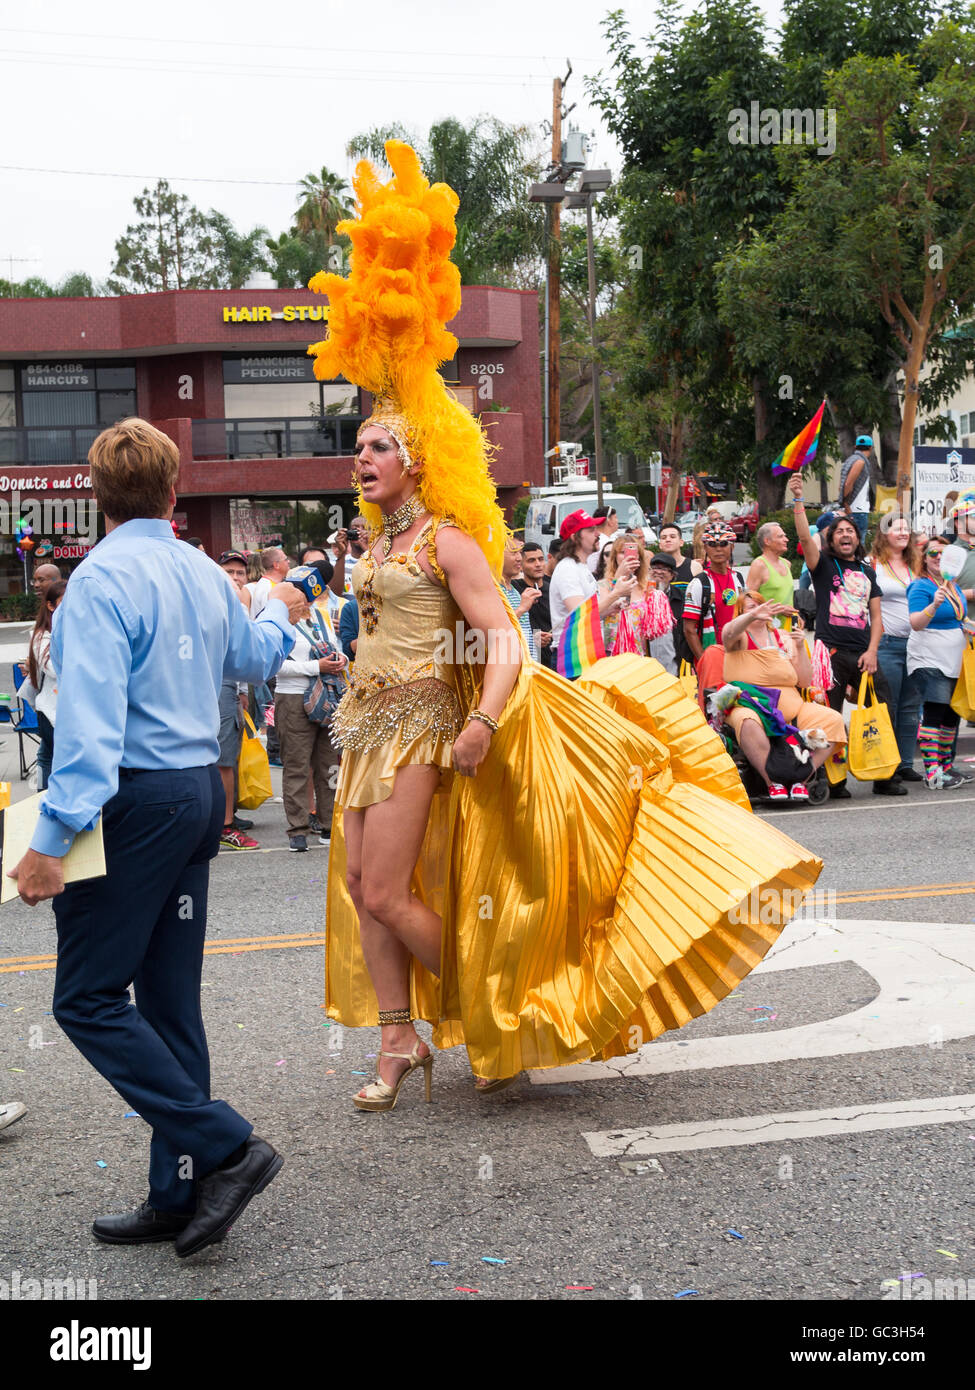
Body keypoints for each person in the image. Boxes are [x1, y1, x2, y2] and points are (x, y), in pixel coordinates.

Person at [319, 140, 822, 1109]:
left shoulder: (449, 542)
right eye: (361, 445)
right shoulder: (371, 547)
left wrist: (482, 719)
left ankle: (486, 997)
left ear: (420, 464)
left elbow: (501, 637)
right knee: (354, 888)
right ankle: (397, 1042)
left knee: (386, 891)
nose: (363, 457)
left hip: (427, 725)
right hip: (360, 725)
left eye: (380, 445)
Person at [8, 417, 307, 1258]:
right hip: (195, 793)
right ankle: (177, 1190)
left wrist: (49, 839)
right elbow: (254, 658)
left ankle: (225, 1148)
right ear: (175, 493)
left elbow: (93, 739)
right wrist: (284, 616)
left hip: (133, 802)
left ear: (94, 496)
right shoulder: (202, 571)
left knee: (87, 998)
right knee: (168, 1000)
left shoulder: (97, 584)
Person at [789, 472, 903, 798]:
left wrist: (873, 651)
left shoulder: (868, 571)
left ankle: (884, 776)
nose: (845, 535)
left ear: (857, 537)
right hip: (830, 655)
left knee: (883, 710)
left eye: (850, 531)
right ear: (831, 539)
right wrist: (798, 499)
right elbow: (805, 539)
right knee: (828, 716)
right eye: (838, 531)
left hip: (864, 653)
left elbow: (877, 616)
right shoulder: (822, 565)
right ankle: (832, 782)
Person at [719, 591, 847, 802]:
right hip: (752, 705)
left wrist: (799, 647)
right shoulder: (740, 637)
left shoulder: (783, 636)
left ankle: (800, 778)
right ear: (741, 613)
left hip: (792, 707)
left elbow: (804, 681)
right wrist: (752, 616)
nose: (759, 611)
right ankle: (774, 782)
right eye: (751, 607)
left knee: (833, 720)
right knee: (747, 721)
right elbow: (728, 633)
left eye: (760, 605)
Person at [274, 588, 347, 850]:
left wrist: (341, 660)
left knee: (330, 765)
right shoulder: (275, 621)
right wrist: (317, 667)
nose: (308, 599)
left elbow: (338, 648)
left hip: (327, 695)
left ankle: (330, 824)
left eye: (311, 593)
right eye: (301, 594)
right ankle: (298, 828)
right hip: (293, 698)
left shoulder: (321, 615)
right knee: (296, 765)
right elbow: (274, 665)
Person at [907, 537, 973, 789]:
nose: (938, 556)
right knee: (935, 712)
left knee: (950, 715)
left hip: (954, 660)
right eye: (932, 552)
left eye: (943, 554)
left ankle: (946, 767)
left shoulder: (953, 586)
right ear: (924, 558)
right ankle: (933, 773)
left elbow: (961, 619)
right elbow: (915, 622)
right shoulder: (921, 586)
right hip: (928, 659)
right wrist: (934, 604)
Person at [870, 516, 923, 781]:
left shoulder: (917, 563)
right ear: (884, 533)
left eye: (906, 529)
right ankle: (886, 765)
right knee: (887, 707)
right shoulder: (873, 564)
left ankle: (904, 763)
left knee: (911, 708)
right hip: (887, 644)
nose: (903, 533)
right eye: (897, 528)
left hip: (916, 644)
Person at [216, 551, 260, 849]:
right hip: (210, 683)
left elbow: (244, 654)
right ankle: (223, 825)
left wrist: (243, 691)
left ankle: (225, 821)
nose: (235, 577)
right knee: (218, 759)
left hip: (229, 685)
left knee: (226, 757)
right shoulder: (215, 600)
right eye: (229, 571)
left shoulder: (241, 603)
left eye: (240, 573)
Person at [549, 510, 635, 660]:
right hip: (572, 655)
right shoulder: (567, 569)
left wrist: (609, 610)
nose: (598, 534)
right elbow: (580, 616)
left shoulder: (581, 567)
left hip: (585, 650)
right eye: (591, 530)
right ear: (575, 537)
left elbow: (590, 614)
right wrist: (616, 593)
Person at [681, 521, 745, 666]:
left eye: (723, 544)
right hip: (711, 656)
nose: (718, 549)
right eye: (712, 545)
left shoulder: (738, 579)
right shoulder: (698, 583)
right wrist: (704, 661)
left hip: (737, 657)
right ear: (705, 548)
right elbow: (689, 629)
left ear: (732, 546)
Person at [24, 579, 67, 790]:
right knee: (52, 758)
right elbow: (53, 668)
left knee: (47, 755)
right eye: (63, 602)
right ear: (50, 605)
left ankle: (42, 796)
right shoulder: (42, 636)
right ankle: (42, 796)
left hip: (65, 710)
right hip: (51, 712)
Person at [513, 540, 555, 669]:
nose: (538, 564)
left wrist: (551, 637)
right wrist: (533, 639)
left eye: (541, 559)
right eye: (531, 561)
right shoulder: (515, 589)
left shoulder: (553, 589)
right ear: (521, 564)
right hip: (527, 662)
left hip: (553, 661)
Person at [747, 522, 795, 627]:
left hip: (788, 630)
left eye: (785, 536)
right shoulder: (759, 565)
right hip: (768, 631)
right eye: (780, 536)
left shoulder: (787, 564)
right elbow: (747, 602)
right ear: (767, 541)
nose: (786, 540)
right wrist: (778, 609)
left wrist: (796, 616)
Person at [656, 522, 701, 633]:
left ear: (681, 542)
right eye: (663, 537)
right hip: (663, 628)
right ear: (660, 544)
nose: (668, 540)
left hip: (689, 627)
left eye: (672, 536)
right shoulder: (653, 572)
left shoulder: (694, 567)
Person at [838, 435, 875, 541]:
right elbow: (848, 484)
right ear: (870, 448)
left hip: (852, 509)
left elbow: (841, 485)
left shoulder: (849, 461)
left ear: (855, 447)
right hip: (857, 509)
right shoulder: (860, 462)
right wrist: (847, 505)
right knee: (858, 543)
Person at [646, 551, 678, 673]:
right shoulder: (641, 596)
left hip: (672, 666)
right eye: (655, 568)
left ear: (672, 575)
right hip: (645, 664)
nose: (658, 571)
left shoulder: (679, 598)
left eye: (664, 569)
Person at [586, 505, 619, 573]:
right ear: (609, 521)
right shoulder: (604, 543)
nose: (617, 521)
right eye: (615, 517)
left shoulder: (599, 540)